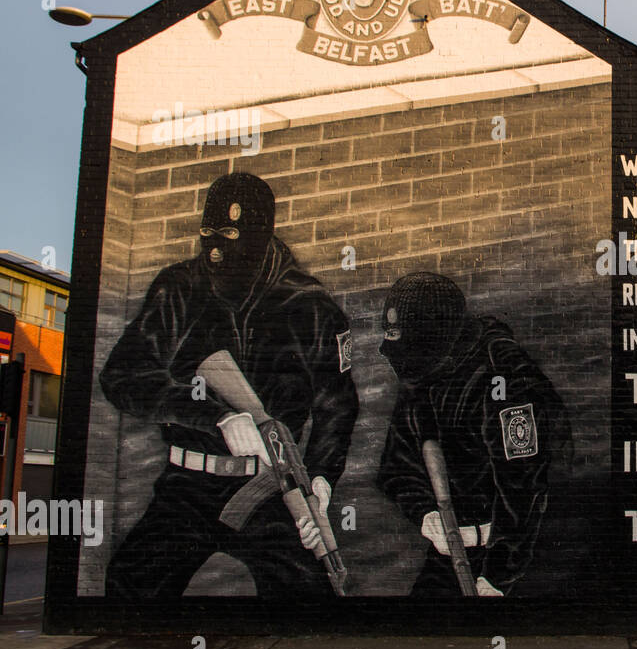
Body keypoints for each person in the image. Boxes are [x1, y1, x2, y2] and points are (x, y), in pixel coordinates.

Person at [99, 172, 358, 598]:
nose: (215, 247)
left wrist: (321, 480)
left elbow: (337, 404)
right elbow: (122, 376)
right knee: (129, 588)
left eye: (230, 234)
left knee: (310, 596)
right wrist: (214, 416)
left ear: (260, 234)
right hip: (186, 486)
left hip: (271, 487)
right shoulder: (179, 289)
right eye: (207, 234)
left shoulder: (310, 306)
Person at [375, 273, 568, 597]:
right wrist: (426, 513)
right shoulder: (421, 375)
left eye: (398, 334)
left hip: (518, 556)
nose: (387, 348)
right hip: (453, 553)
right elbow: (397, 466)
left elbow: (524, 488)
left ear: (429, 333)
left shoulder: (503, 378)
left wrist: (497, 577)